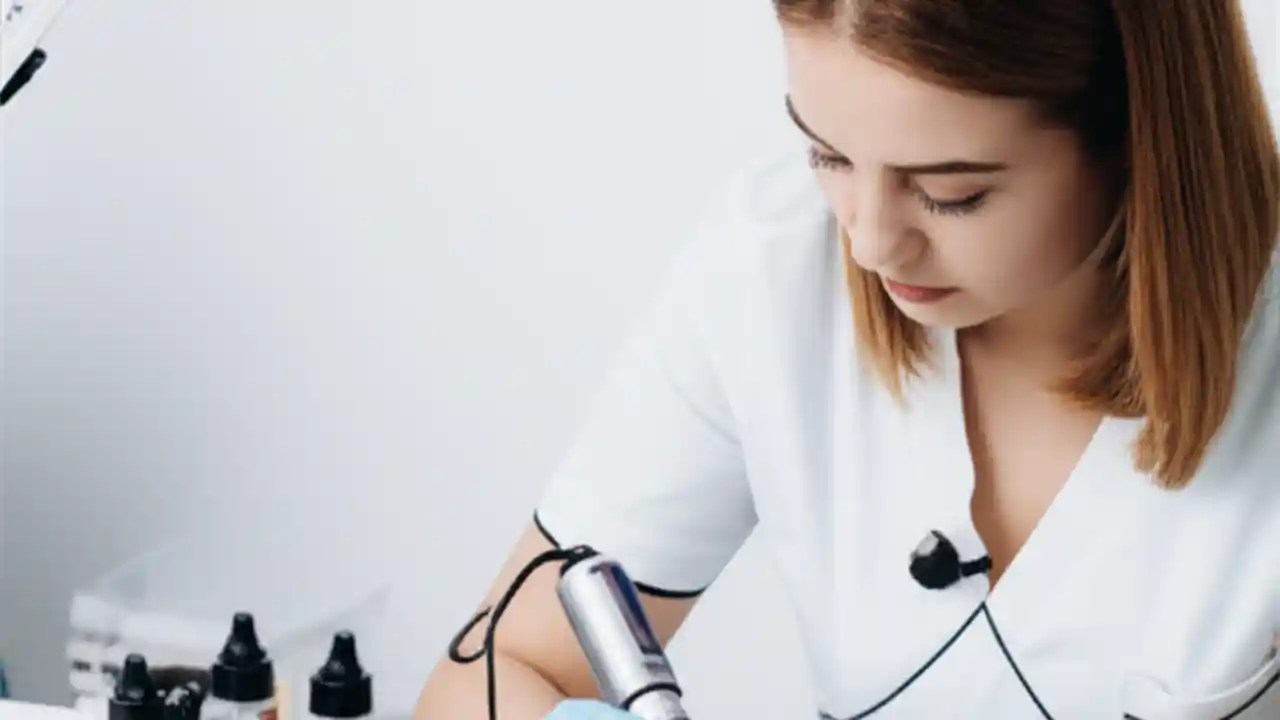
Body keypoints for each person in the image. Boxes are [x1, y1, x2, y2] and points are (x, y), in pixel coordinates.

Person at [416, 1, 1280, 717]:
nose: (868, 244)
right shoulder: (772, 266)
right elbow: (518, 656)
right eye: (827, 154)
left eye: (952, 195)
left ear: (1140, 135)